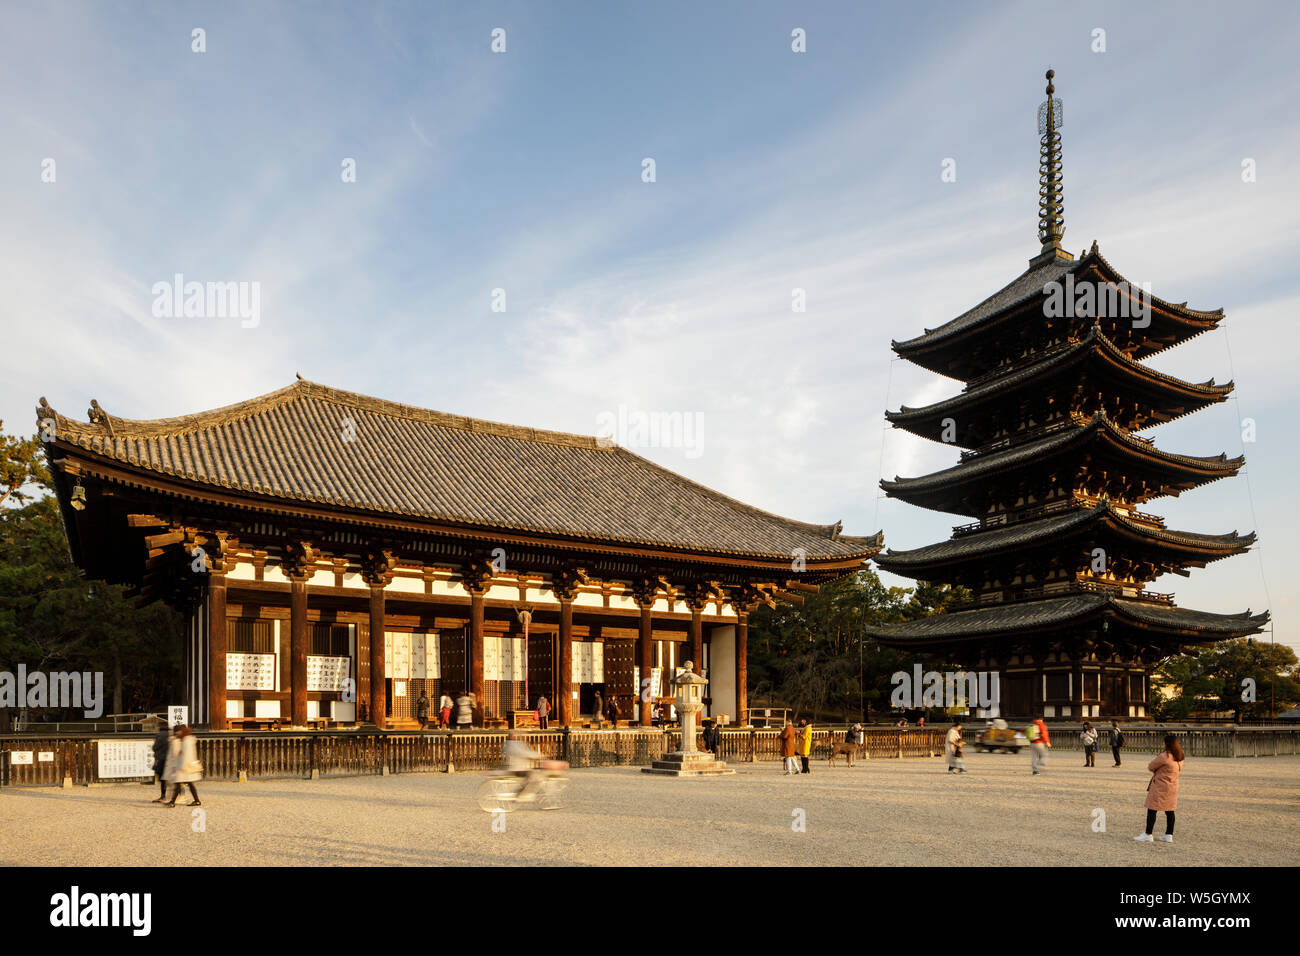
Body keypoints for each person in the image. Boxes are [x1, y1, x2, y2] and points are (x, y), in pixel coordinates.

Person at [1135, 735, 1185, 843]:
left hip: (1160, 786)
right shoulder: (1180, 757)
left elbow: (1151, 766)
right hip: (1172, 786)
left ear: (1167, 744)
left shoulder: (1164, 756)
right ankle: (1169, 834)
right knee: (1170, 810)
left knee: (1152, 809)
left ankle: (1148, 834)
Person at [163, 724, 202, 807]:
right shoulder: (187, 740)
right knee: (188, 784)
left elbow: (186, 755)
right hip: (186, 766)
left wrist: (182, 767)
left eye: (179, 731)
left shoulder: (186, 741)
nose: (177, 733)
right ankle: (196, 800)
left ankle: (172, 802)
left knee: (179, 784)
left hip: (184, 767)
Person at [150, 723, 173, 803]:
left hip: (161, 759)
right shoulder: (171, 735)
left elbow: (155, 747)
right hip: (170, 759)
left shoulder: (160, 735)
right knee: (170, 778)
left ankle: (163, 796)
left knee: (162, 778)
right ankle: (177, 795)